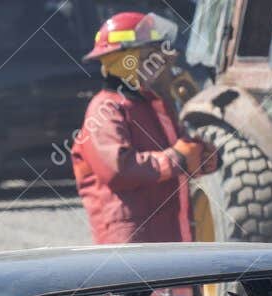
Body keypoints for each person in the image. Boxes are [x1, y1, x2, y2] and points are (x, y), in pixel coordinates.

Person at [70, 11, 217, 249]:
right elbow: (119, 170)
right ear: (127, 59)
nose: (166, 59)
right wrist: (178, 158)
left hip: (168, 240)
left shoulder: (152, 105)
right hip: (131, 249)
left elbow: (172, 157)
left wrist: (199, 158)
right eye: (153, 54)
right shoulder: (104, 110)